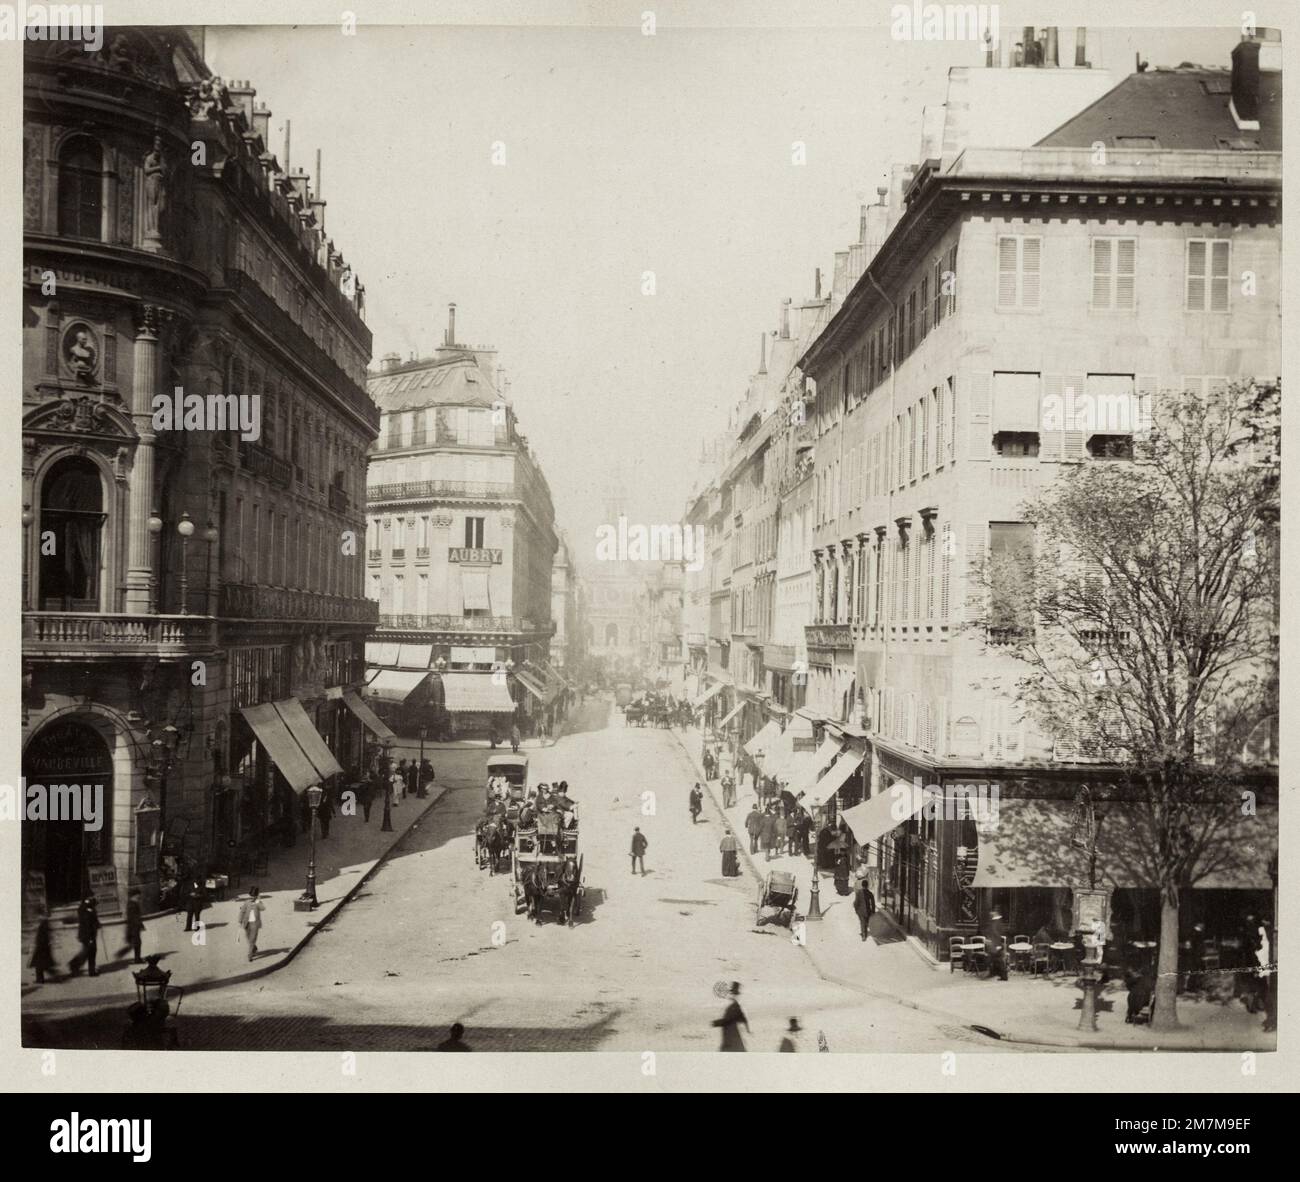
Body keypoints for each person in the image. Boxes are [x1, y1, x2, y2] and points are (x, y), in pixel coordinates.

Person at [712, 982, 749, 1051]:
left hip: (731, 1033)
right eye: (733, 994)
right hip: (730, 1032)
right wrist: (747, 1029)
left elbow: (729, 1019)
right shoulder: (735, 1006)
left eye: (734, 994)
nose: (732, 996)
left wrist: (717, 1023)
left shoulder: (735, 1006)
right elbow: (743, 1019)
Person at [68, 896, 99, 976]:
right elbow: (87, 924)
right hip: (87, 934)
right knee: (89, 952)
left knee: (89, 951)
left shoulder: (89, 906)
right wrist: (90, 938)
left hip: (89, 934)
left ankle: (88, 969)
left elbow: (94, 919)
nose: (93, 898)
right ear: (87, 898)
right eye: (91, 896)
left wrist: (97, 924)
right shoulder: (84, 908)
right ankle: (75, 966)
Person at [237, 886, 266, 961]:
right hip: (247, 923)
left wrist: (258, 901)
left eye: (254, 896)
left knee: (252, 939)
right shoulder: (247, 902)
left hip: (255, 924)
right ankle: (254, 947)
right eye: (251, 896)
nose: (252, 898)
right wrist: (240, 920)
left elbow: (263, 908)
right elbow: (242, 911)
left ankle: (250, 956)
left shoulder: (258, 902)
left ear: (256, 896)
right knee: (248, 937)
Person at [118, 889, 145, 963]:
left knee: (136, 943)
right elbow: (134, 917)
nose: (139, 896)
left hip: (134, 926)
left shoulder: (133, 903)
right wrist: (139, 925)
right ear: (135, 895)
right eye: (138, 894)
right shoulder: (132, 904)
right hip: (133, 927)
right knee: (136, 943)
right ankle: (137, 959)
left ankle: (137, 958)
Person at [30, 911, 56, 984]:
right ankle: (41, 979)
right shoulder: (44, 923)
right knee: (41, 964)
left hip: (42, 947)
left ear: (42, 916)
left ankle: (40, 979)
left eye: (39, 916)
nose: (38, 917)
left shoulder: (44, 923)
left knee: (39, 964)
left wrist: (38, 944)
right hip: (43, 946)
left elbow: (44, 936)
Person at [986, 909, 1009, 981]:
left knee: (999, 960)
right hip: (994, 944)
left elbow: (997, 934)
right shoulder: (996, 921)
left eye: (992, 912)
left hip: (996, 944)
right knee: (994, 959)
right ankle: (994, 973)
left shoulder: (997, 922)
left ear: (995, 913)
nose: (990, 913)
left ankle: (1003, 976)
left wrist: (996, 944)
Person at [852, 876, 876, 941]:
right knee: (866, 922)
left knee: (862, 922)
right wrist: (873, 911)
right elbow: (873, 903)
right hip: (868, 911)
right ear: (867, 886)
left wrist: (856, 909)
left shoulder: (859, 892)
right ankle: (864, 932)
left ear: (862, 885)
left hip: (860, 911)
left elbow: (856, 902)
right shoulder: (870, 893)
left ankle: (863, 935)